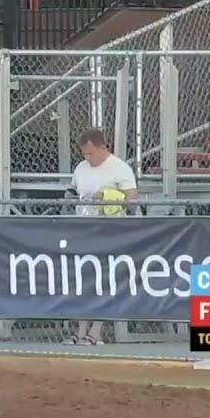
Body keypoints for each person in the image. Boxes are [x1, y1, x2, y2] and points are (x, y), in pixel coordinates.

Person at [65, 128, 137, 346]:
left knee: (104, 281)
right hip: (84, 230)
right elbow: (72, 190)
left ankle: (95, 333)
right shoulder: (81, 168)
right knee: (83, 281)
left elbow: (131, 200)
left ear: (102, 147)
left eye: (91, 153)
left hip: (110, 232)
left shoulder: (119, 168)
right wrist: (68, 199)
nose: (87, 158)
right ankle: (80, 332)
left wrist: (106, 196)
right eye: (84, 154)